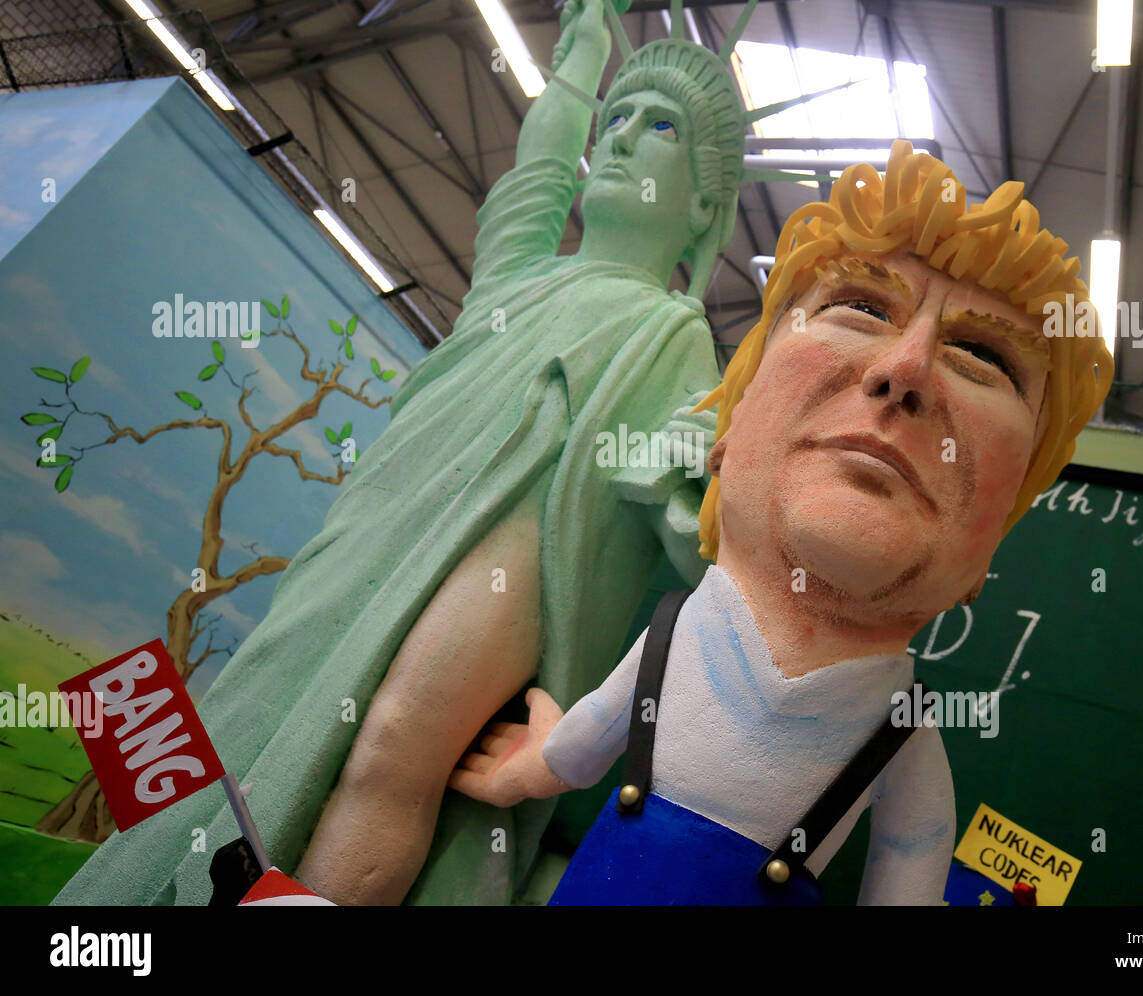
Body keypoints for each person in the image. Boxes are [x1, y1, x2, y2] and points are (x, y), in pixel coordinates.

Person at [53, 0, 748, 906]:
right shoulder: (518, 279)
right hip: (373, 529)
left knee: (393, 744)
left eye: (659, 127)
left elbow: (673, 513)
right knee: (265, 705)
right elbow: (535, 177)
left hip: (520, 541)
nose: (618, 139)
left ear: (701, 199)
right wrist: (576, 72)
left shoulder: (676, 336)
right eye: (615, 119)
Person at [449, 140, 1114, 904]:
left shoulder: (902, 738)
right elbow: (592, 735)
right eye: (861, 307)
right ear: (726, 435)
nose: (905, 369)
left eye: (982, 358)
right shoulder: (675, 639)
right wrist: (539, 763)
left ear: (990, 545)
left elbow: (905, 881)